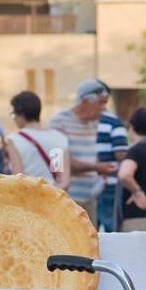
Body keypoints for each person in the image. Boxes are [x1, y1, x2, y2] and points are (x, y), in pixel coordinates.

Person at [49, 80, 115, 226]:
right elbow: (57, 164)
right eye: (101, 103)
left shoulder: (96, 124)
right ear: (85, 101)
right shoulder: (58, 122)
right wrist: (96, 167)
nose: (104, 109)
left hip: (90, 199)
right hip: (67, 199)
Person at [4, 91, 70, 188]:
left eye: (13, 115)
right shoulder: (59, 137)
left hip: (29, 198)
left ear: (21, 114)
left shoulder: (15, 140)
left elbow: (18, 179)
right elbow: (64, 181)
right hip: (53, 198)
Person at [95, 92, 129, 231]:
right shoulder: (114, 122)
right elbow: (121, 154)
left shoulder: (82, 122)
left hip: (88, 186)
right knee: (112, 231)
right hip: (109, 184)